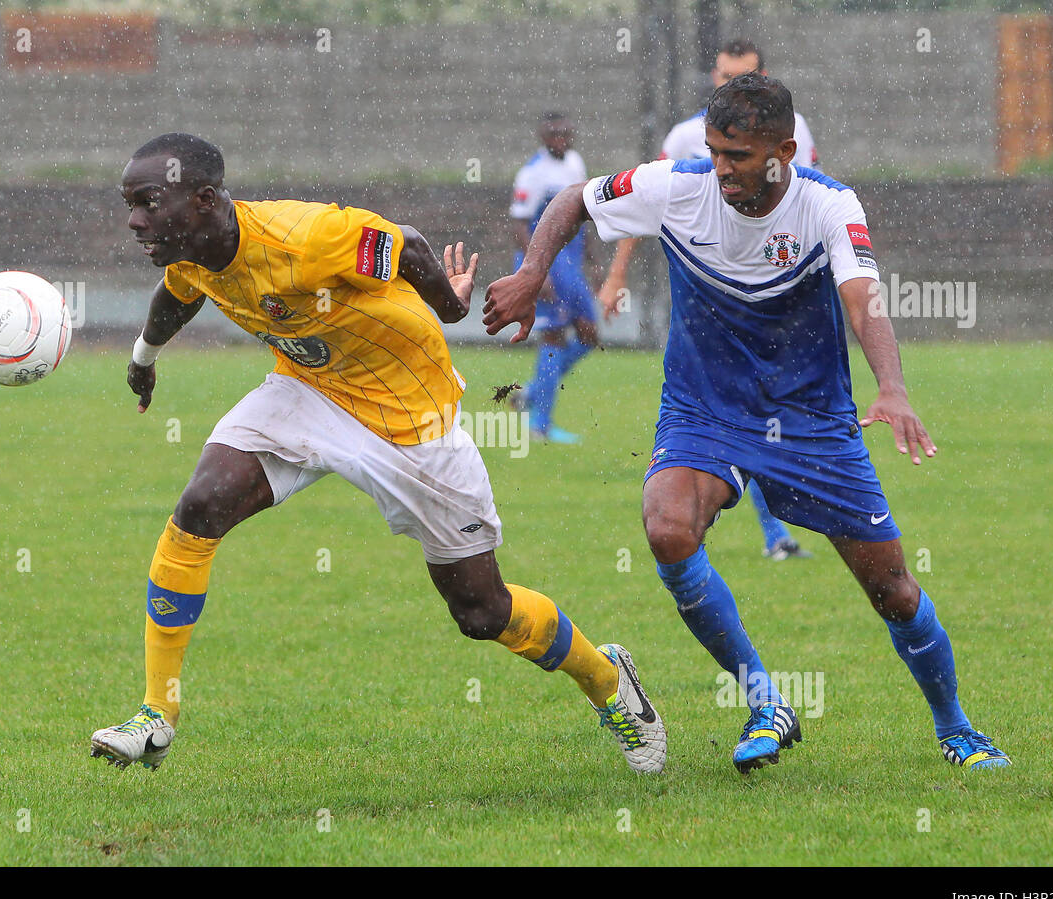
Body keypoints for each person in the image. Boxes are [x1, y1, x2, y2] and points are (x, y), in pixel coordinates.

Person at [89, 133, 666, 775]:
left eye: (146, 202)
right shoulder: (192, 250)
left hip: (408, 414)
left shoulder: (304, 238)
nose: (135, 220)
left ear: (203, 200)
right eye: (129, 205)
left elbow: (408, 245)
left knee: (482, 611)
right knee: (200, 505)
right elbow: (178, 295)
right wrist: (143, 361)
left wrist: (450, 304)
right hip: (309, 389)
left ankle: (608, 680)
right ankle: (157, 712)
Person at [483, 75, 1010, 775]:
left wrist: (893, 387)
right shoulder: (678, 186)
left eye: (738, 154)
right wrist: (529, 274)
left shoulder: (827, 203)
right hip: (705, 408)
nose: (723, 167)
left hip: (812, 419)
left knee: (893, 590)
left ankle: (957, 729)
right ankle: (766, 699)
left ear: (783, 151)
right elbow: (572, 201)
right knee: (667, 527)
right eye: (714, 150)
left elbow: (863, 299)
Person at [600, 38, 817, 560]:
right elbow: (639, 204)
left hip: (775, 301)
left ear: (762, 76)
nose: (729, 86)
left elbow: (808, 203)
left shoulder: (795, 132)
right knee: (745, 413)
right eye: (721, 77)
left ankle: (766, 522)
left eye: (740, 76)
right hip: (706, 304)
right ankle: (767, 533)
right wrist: (618, 274)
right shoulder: (683, 138)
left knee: (770, 417)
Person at [507, 112, 601, 444]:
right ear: (543, 137)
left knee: (590, 334)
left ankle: (532, 392)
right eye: (554, 134)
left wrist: (593, 261)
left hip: (571, 265)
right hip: (547, 265)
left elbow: (582, 213)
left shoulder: (575, 163)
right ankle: (540, 425)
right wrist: (537, 269)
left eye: (565, 133)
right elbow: (519, 224)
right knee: (553, 336)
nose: (560, 139)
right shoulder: (533, 174)